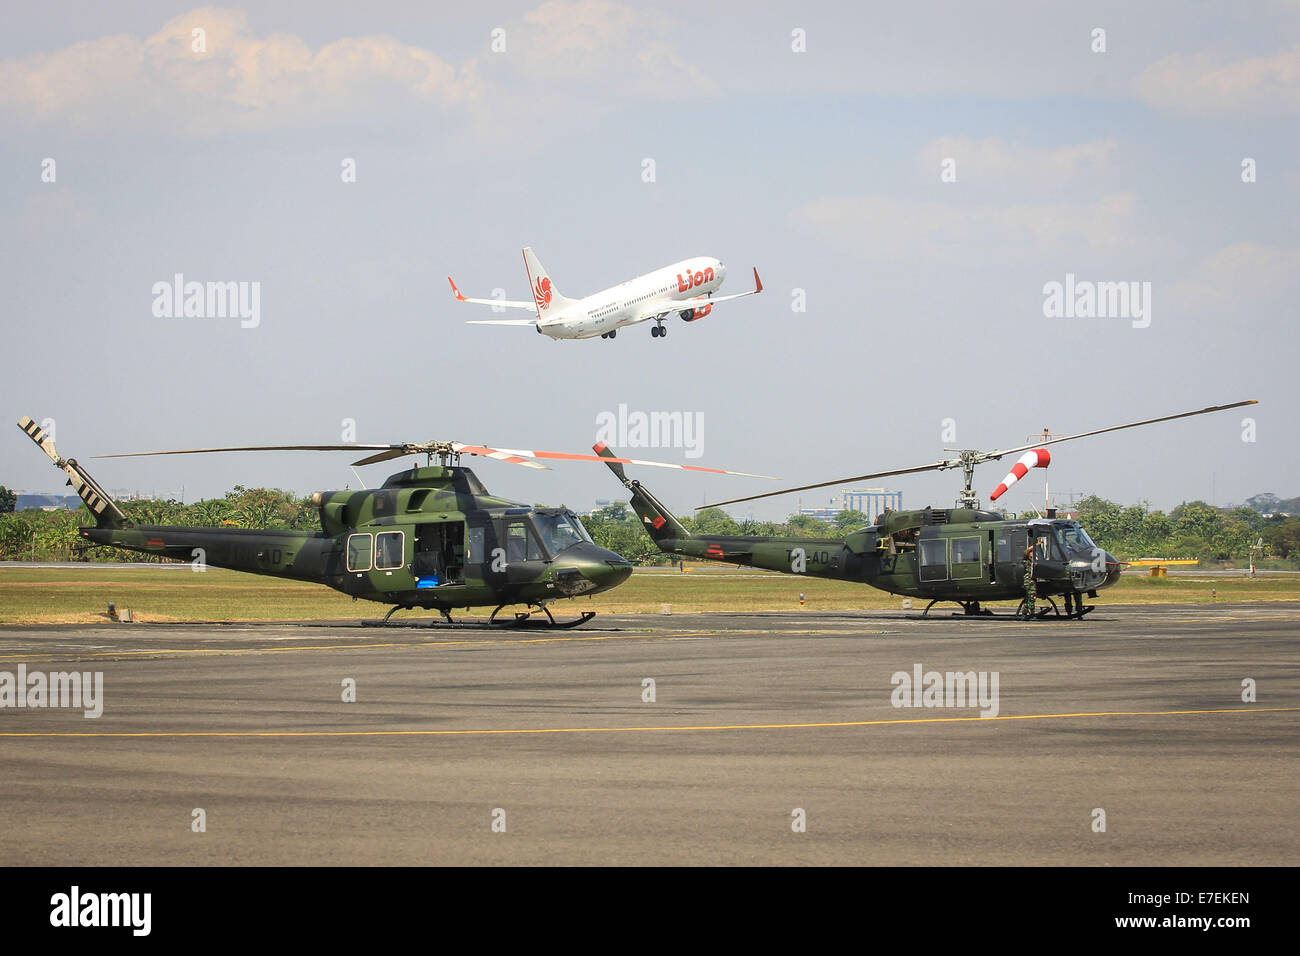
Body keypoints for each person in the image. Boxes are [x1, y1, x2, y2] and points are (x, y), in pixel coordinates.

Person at [1022, 542, 1037, 621]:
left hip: (1032, 580)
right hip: (1028, 580)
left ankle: (1026, 612)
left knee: (1031, 597)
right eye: (1031, 553)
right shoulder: (1026, 559)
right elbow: (1027, 550)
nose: (1032, 554)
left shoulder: (1033, 561)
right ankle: (1030, 613)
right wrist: (1036, 544)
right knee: (1031, 596)